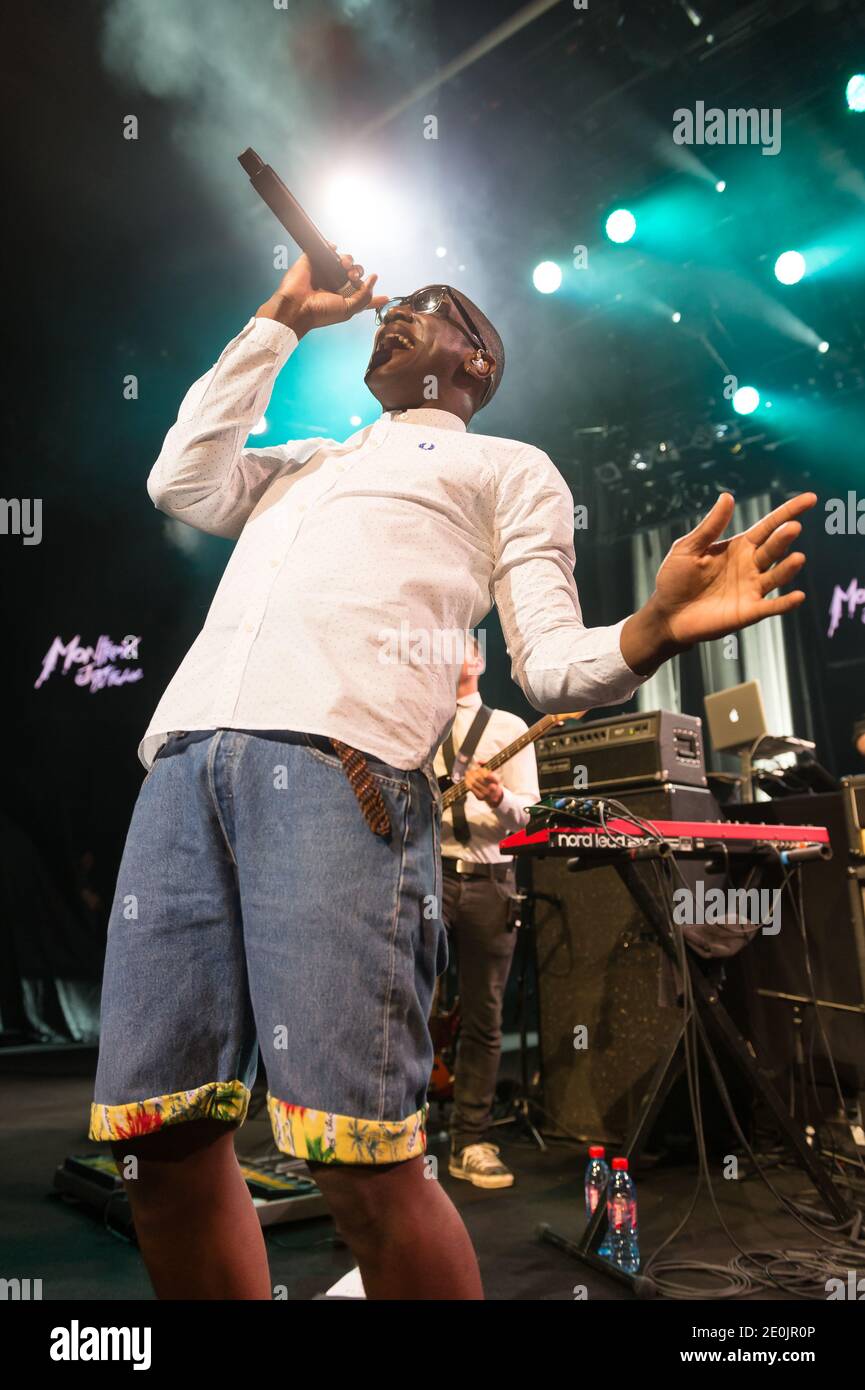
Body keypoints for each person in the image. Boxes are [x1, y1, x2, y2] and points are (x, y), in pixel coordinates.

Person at [89, 247, 815, 1300]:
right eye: (398, 305)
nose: (397, 314)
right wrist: (281, 318)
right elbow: (180, 480)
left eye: (433, 311)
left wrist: (653, 627)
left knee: (359, 1159)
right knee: (160, 1143)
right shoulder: (305, 462)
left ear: (473, 358)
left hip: (338, 775)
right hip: (183, 767)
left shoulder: (507, 468)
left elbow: (552, 665)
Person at [434, 637, 539, 1190]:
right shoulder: (415, 722)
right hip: (427, 880)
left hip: (489, 881)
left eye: (460, 646)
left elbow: (528, 817)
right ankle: (398, 1142)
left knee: (484, 1017)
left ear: (478, 660)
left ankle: (471, 1140)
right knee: (403, 1010)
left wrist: (498, 797)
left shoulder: (509, 727)